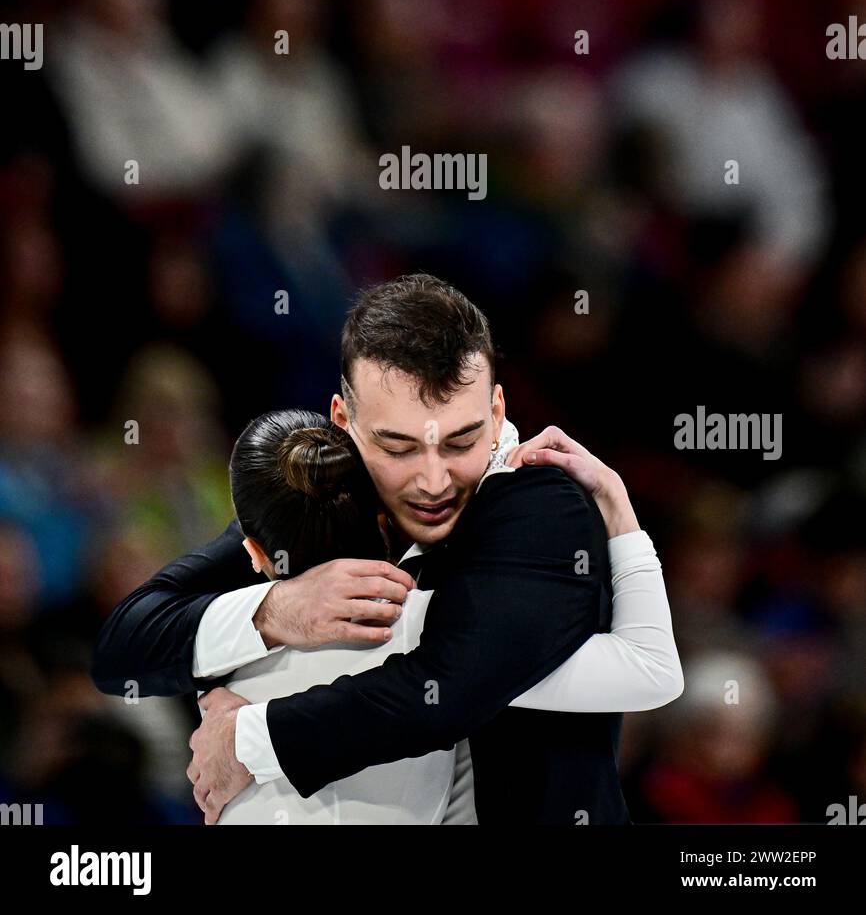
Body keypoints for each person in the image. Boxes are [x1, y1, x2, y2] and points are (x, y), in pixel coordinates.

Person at [93, 274, 683, 825]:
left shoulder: (541, 503)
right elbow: (125, 647)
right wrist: (277, 610)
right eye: (397, 447)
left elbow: (450, 687)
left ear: (496, 411)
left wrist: (249, 739)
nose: (433, 481)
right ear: (343, 420)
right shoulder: (319, 495)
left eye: (461, 441)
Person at [210, 408, 681, 823]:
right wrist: (618, 507)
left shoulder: (220, 648)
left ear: (253, 551)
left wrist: (242, 734)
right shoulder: (439, 628)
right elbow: (651, 669)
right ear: (380, 515)